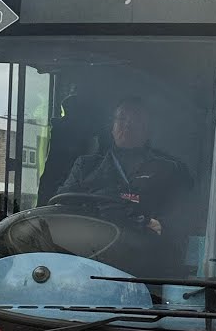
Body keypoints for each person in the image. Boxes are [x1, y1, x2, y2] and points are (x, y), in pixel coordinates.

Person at [57, 96, 192, 236]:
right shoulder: (85, 166)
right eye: (121, 119)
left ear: (148, 130)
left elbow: (180, 221)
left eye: (136, 120)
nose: (128, 125)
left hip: (144, 250)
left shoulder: (168, 170)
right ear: (112, 128)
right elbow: (61, 206)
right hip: (88, 248)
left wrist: (161, 225)